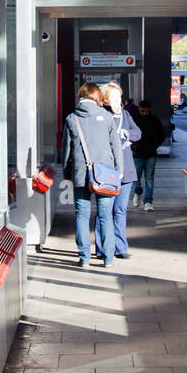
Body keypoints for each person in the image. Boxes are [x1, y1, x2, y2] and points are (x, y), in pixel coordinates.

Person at [61, 82, 122, 268]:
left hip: (81, 173)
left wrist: (67, 173)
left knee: (81, 215)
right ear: (97, 98)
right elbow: (116, 146)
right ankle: (108, 258)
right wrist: (118, 170)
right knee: (106, 215)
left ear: (80, 96)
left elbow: (66, 151)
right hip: (105, 174)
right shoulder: (107, 116)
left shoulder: (72, 119)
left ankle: (84, 257)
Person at [100, 82, 141, 260]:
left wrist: (126, 133)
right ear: (106, 99)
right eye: (114, 97)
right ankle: (102, 248)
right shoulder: (102, 116)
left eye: (119, 96)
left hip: (127, 169)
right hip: (107, 170)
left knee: (120, 210)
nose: (118, 100)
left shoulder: (125, 115)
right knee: (105, 210)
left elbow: (138, 133)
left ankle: (120, 246)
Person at [131, 99, 166, 211]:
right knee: (136, 178)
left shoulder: (154, 120)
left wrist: (154, 145)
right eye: (142, 111)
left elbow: (161, 135)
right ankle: (137, 192)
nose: (144, 113)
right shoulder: (134, 119)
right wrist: (133, 146)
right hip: (137, 153)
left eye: (146, 111)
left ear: (149, 110)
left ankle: (148, 201)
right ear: (139, 110)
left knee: (149, 178)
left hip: (150, 153)